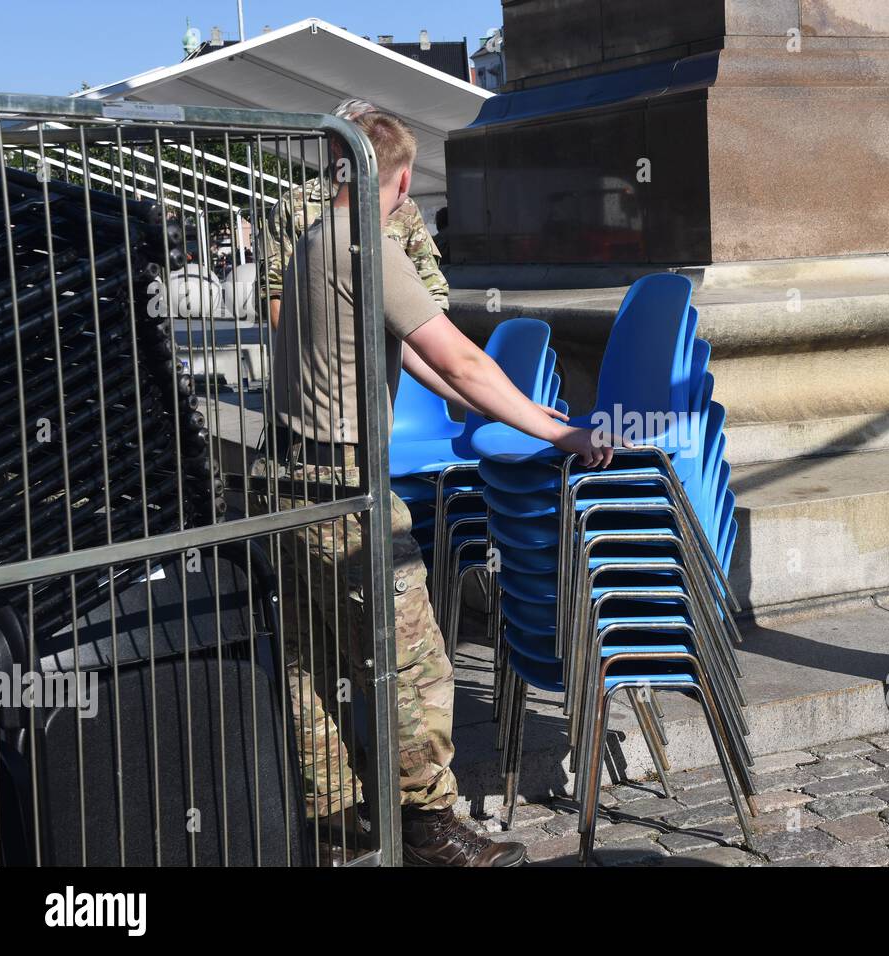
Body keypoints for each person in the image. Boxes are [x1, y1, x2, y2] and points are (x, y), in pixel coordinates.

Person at [258, 107, 612, 866]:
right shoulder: (371, 247)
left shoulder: (317, 239)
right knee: (412, 666)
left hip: (289, 482)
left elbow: (409, 350)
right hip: (346, 487)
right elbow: (461, 362)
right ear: (404, 177)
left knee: (318, 662)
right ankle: (430, 833)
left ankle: (340, 825)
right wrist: (562, 433)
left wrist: (490, 403)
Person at [262, 98, 449, 330]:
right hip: (323, 350)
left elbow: (430, 282)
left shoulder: (404, 206)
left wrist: (425, 345)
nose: (372, 147)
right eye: (361, 137)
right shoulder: (294, 206)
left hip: (395, 347)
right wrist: (298, 357)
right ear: (336, 144)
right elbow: (275, 291)